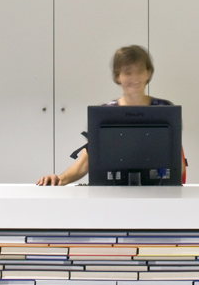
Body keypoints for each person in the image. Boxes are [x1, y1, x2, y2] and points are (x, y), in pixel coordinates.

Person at [37, 45, 180, 186]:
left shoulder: (164, 109)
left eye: (140, 71)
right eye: (127, 72)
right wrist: (59, 179)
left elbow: (177, 164)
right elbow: (84, 163)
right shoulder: (104, 113)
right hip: (112, 197)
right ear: (118, 77)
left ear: (148, 73)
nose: (134, 77)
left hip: (157, 196)